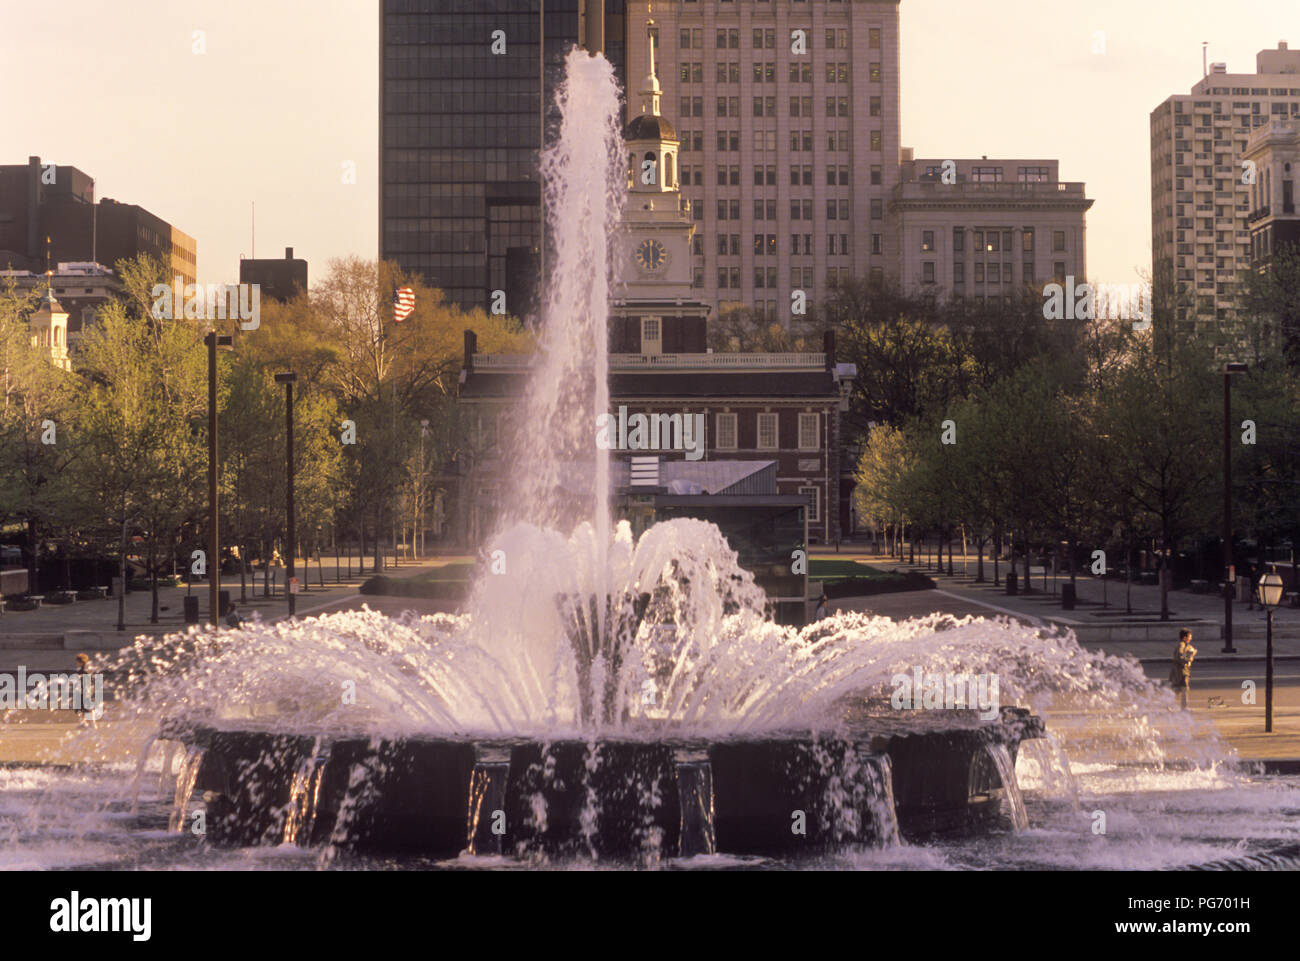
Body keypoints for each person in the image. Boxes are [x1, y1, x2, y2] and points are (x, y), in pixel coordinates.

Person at [1169, 628, 1197, 710]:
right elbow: (1180, 657)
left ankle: (1168, 704)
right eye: (1189, 637)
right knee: (1184, 688)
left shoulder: (1186, 645)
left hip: (1182, 670)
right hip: (1181, 671)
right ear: (1184, 638)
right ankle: (1184, 707)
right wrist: (1190, 655)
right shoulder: (1181, 645)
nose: (1190, 639)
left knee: (1178, 689)